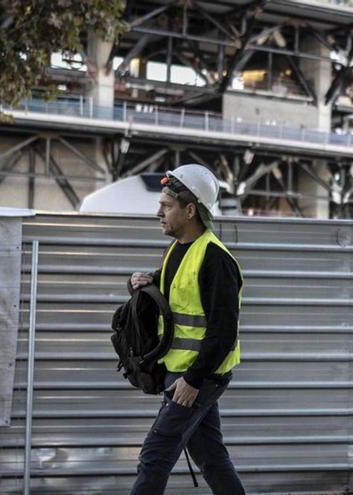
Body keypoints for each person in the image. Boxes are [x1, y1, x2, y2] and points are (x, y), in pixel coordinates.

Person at [128, 164, 245, 495]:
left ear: (190, 210)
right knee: (211, 458)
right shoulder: (177, 251)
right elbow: (169, 295)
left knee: (155, 454)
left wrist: (194, 380)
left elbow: (223, 332)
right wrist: (137, 282)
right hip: (179, 373)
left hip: (196, 378)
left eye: (166, 206)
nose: (158, 213)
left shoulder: (215, 260)